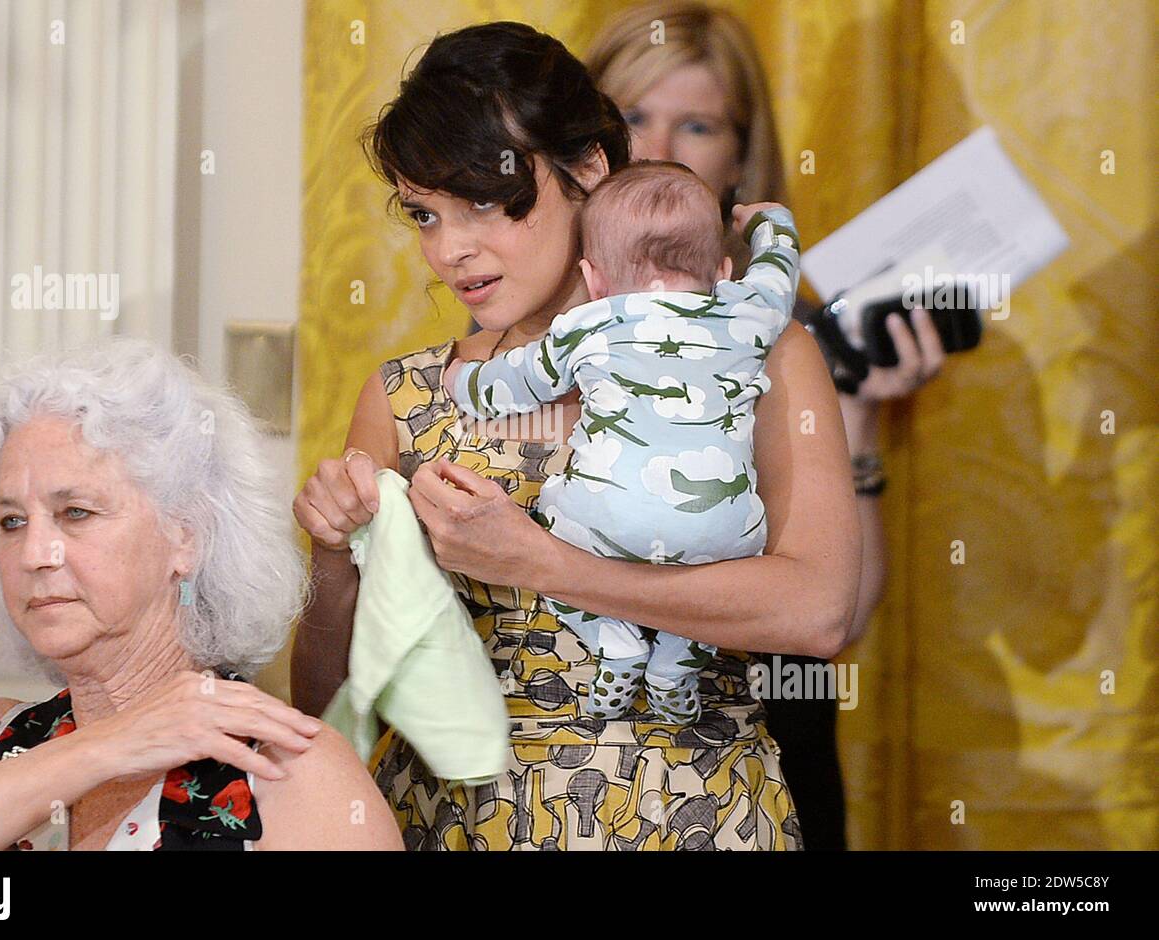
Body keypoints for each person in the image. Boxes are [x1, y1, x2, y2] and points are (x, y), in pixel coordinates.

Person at [291, 21, 860, 851]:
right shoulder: (407, 393)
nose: (451, 250)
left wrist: (548, 566)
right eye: (424, 213)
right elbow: (325, 706)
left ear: (589, 166)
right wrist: (334, 555)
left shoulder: (752, 351)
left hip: (695, 817)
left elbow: (816, 612)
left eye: (484, 200)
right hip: (454, 827)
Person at [587, 0, 947, 849]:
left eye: (698, 124)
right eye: (632, 116)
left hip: (766, 757)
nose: (657, 152)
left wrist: (855, 411)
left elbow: (836, 622)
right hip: (573, 772)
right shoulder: (540, 320)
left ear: (741, 157)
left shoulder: (791, 332)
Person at [0, 338, 402, 851]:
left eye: (76, 513)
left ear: (186, 534)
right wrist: (106, 747)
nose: (33, 553)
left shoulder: (292, 770)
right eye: (11, 521)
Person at [442, 160, 801, 725]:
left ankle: (613, 639)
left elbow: (510, 387)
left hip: (608, 513)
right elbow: (779, 273)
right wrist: (771, 223)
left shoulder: (588, 325)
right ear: (725, 270)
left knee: (550, 528)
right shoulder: (749, 313)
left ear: (594, 276)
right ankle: (677, 659)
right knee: (730, 558)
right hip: (720, 522)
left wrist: (460, 380)